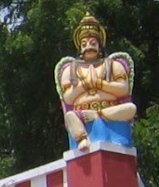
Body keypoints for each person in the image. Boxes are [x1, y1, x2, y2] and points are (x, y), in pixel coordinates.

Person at [54, 14, 137, 151]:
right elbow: (68, 98)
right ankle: (82, 138)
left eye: (93, 43)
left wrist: (99, 83)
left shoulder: (113, 64)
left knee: (131, 108)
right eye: (84, 44)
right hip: (82, 113)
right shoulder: (71, 69)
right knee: (70, 116)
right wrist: (85, 85)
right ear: (80, 47)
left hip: (109, 110)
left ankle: (98, 115)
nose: (89, 47)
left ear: (99, 45)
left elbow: (123, 89)